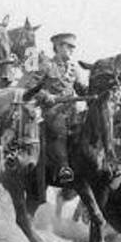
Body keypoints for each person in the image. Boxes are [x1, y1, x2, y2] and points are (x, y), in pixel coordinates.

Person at [20, 32, 86, 185]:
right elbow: (30, 85)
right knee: (58, 127)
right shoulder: (46, 65)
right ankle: (64, 167)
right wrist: (46, 95)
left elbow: (82, 89)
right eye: (68, 46)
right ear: (57, 46)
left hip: (72, 112)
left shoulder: (74, 69)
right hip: (51, 111)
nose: (71, 50)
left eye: (73, 47)